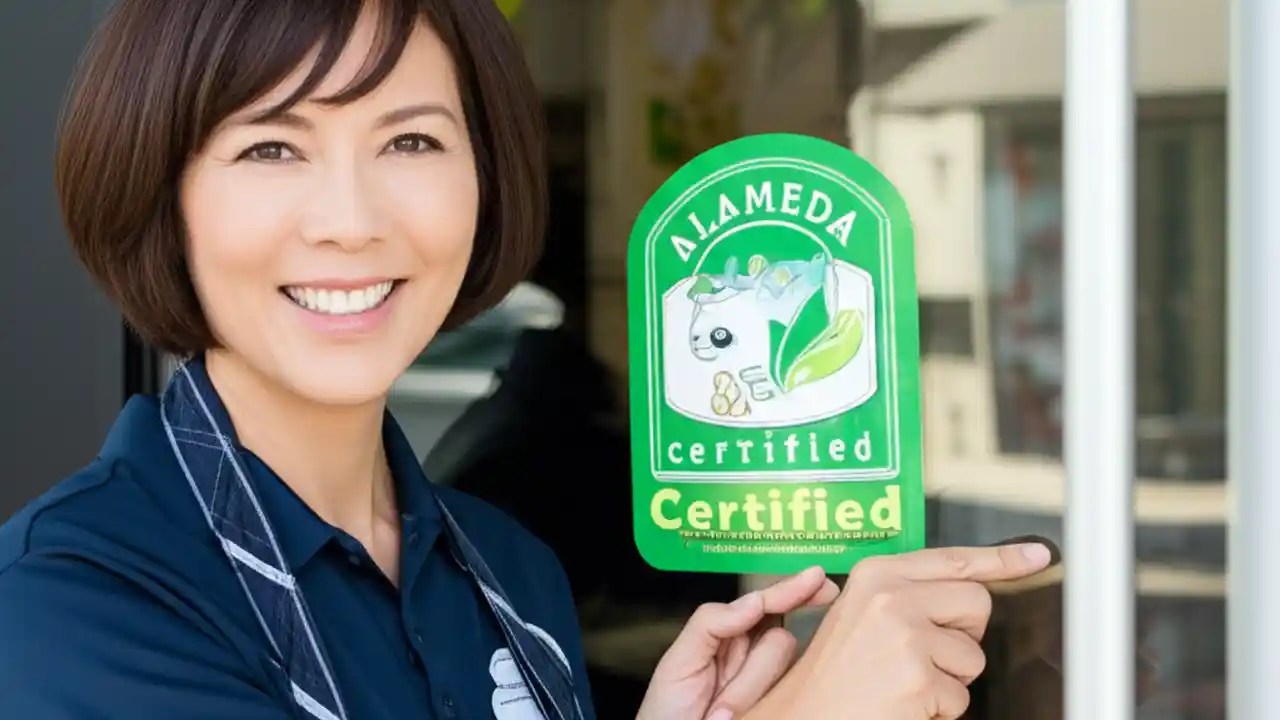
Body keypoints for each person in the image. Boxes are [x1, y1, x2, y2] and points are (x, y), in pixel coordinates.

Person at [0, 1, 1052, 718]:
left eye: (410, 142)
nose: (351, 221)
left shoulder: (508, 572)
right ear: (162, 193)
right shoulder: (70, 604)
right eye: (271, 147)